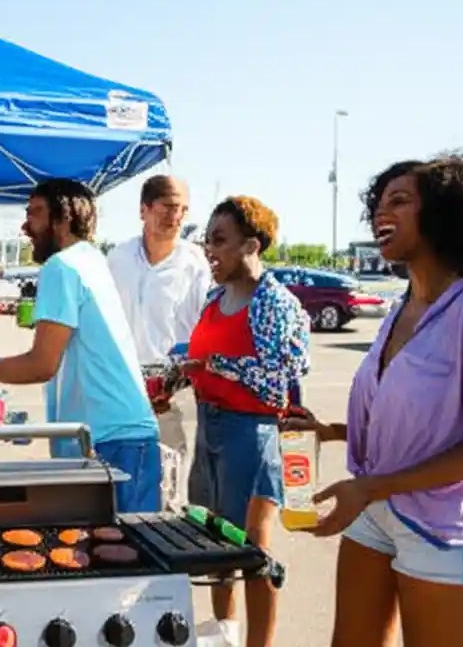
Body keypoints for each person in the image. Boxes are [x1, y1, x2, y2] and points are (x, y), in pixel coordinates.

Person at [284, 156, 463, 647]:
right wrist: (332, 431)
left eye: (399, 201)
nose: (380, 214)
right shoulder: (402, 307)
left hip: (439, 527)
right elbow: (420, 424)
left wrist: (373, 487)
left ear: (444, 213)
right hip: (375, 511)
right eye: (377, 203)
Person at [0, 179, 161, 512]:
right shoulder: (91, 259)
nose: (26, 225)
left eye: (35, 213)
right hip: (118, 437)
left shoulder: (61, 266)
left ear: (63, 218)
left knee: (115, 554)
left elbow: (42, 364)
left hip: (109, 439)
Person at [183, 196, 309, 647]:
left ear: (251, 244)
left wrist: (218, 364)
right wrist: (180, 377)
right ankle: (224, 635)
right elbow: (200, 360)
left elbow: (279, 385)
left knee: (254, 551)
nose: (209, 250)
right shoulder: (217, 297)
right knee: (215, 541)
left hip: (251, 435)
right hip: (209, 426)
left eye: (220, 240)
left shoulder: (276, 303)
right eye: (207, 240)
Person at [107, 175, 212, 458]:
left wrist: (176, 380)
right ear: (144, 209)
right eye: (168, 207)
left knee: (169, 476)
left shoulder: (195, 263)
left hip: (169, 393)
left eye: (182, 210)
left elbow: (204, 327)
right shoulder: (118, 259)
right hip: (121, 388)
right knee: (120, 474)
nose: (175, 216)